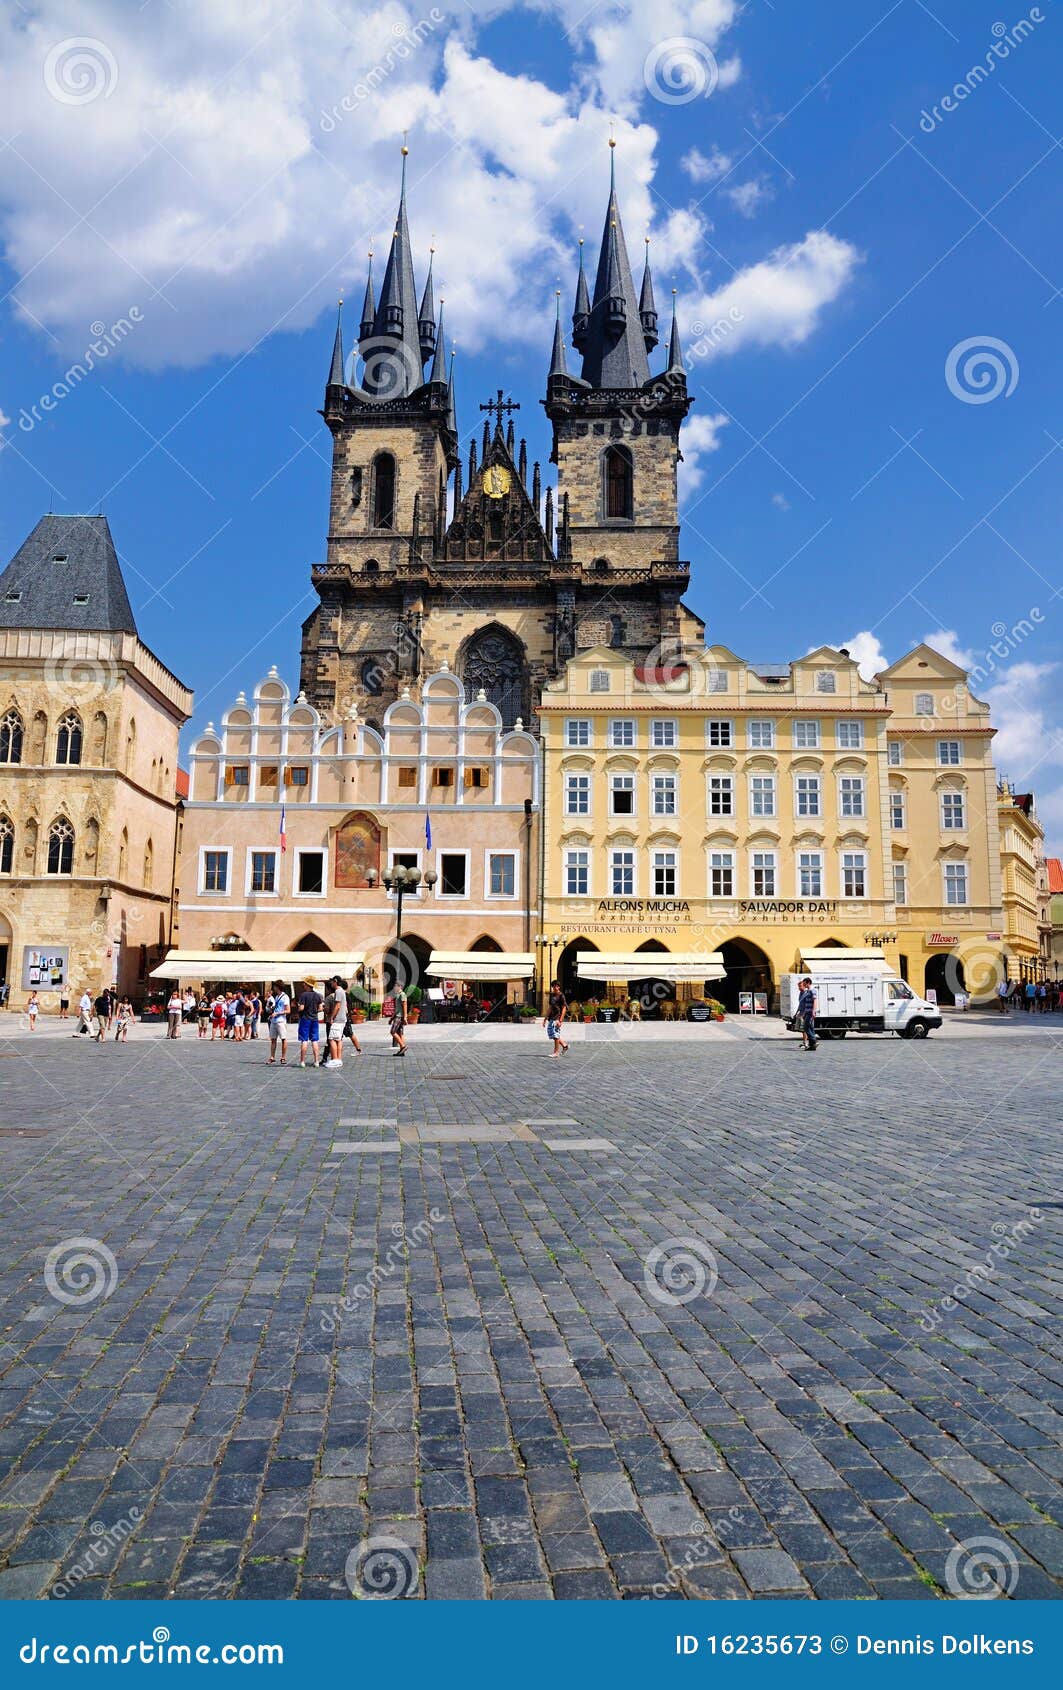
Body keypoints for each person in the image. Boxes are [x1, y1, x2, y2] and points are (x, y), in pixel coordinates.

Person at [297, 978, 323, 1068]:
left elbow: (301, 1008)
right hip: (314, 1019)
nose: (303, 985)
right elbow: (321, 1008)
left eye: (304, 984)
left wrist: (298, 1008)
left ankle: (302, 1062)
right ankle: (316, 1061)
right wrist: (314, 1011)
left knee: (304, 1040)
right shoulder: (317, 995)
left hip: (305, 1019)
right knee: (314, 1040)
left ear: (308, 985)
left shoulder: (304, 995)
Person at [326, 976, 349, 1068]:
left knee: (332, 1039)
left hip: (338, 1019)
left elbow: (337, 1006)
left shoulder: (338, 991)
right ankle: (338, 1059)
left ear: (335, 981)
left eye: (332, 982)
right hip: (342, 1018)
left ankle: (335, 1059)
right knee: (338, 1039)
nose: (331, 984)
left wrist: (331, 1017)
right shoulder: (342, 991)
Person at [267, 982, 291, 1065]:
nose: (273, 988)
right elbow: (276, 1008)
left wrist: (277, 1013)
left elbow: (288, 1010)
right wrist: (271, 1009)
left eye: (274, 986)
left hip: (281, 1021)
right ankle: (272, 1057)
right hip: (274, 1020)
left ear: (278, 987)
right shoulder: (276, 997)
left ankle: (283, 1057)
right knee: (273, 1039)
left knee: (283, 1039)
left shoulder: (285, 997)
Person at [339, 977, 363, 1058]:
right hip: (346, 1017)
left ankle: (358, 1050)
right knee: (348, 1034)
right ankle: (358, 1049)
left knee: (347, 1034)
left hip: (344, 1017)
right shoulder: (347, 995)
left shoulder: (343, 995)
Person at [545, 979, 569, 1057]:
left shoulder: (561, 995)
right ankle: (564, 1045)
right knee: (552, 1033)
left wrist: (560, 1020)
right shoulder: (552, 996)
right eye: (553, 986)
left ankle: (556, 1052)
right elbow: (550, 1007)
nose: (555, 988)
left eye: (556, 986)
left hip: (557, 1017)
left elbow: (564, 1008)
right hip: (552, 1017)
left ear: (559, 987)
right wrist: (545, 1018)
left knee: (555, 1035)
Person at [797, 976, 817, 1051]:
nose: (804, 985)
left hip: (810, 1012)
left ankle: (814, 1040)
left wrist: (813, 1011)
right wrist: (804, 1013)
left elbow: (815, 1001)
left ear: (808, 983)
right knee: (810, 1027)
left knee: (806, 1027)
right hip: (807, 1012)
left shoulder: (812, 990)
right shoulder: (808, 991)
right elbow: (805, 1004)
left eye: (805, 984)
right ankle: (812, 1045)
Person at [389, 983, 408, 1056]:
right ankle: (401, 1051)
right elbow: (396, 1008)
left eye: (395, 986)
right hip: (397, 1016)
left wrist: (405, 1017)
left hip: (399, 1017)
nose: (394, 988)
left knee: (393, 1032)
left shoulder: (402, 994)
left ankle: (403, 1046)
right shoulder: (397, 995)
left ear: (399, 987)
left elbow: (405, 1005)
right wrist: (391, 1018)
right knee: (400, 1033)